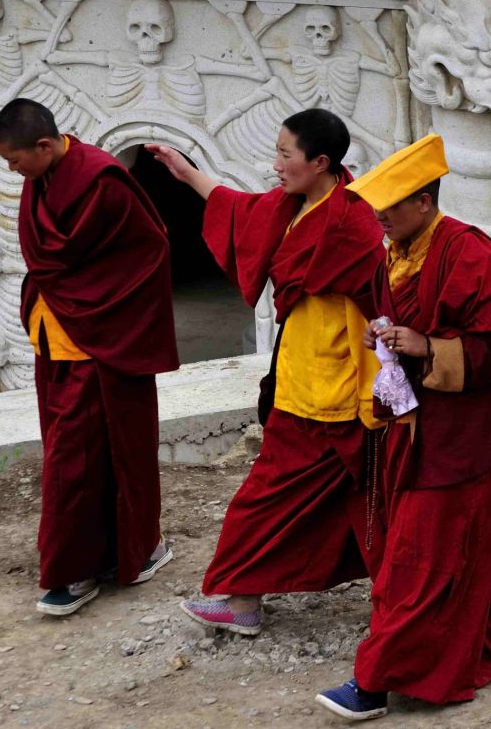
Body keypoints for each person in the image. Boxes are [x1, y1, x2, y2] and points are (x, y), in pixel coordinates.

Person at [316, 133, 491, 721]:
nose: (378, 220)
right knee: (472, 539)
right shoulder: (398, 252)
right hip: (422, 427)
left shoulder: (467, 253)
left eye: (390, 208)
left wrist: (428, 345)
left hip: (469, 434)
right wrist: (385, 337)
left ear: (424, 202)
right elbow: (398, 314)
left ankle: (376, 681)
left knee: (419, 555)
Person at [148, 109, 387, 635]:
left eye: (284, 154)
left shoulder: (351, 225)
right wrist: (188, 174)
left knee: (268, 501)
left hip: (332, 397)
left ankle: (244, 603)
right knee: (355, 502)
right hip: (298, 379)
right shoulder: (295, 207)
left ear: (319, 162)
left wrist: (372, 399)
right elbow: (241, 210)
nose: (275, 164)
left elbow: (373, 315)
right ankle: (407, 593)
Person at [0, 98, 179, 617]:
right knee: (77, 455)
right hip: (57, 337)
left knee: (81, 461)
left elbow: (149, 250)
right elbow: (47, 256)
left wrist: (103, 313)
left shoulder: (102, 180)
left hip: (99, 343)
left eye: (15, 161)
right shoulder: (43, 176)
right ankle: (127, 552)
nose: (12, 171)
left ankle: (76, 571)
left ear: (43, 145)